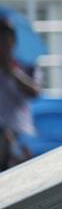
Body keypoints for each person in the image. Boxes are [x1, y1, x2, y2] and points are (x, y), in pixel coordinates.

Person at [0, 16, 40, 169]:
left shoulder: (27, 66)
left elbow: (35, 92)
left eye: (6, 37)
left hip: (21, 131)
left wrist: (12, 71)